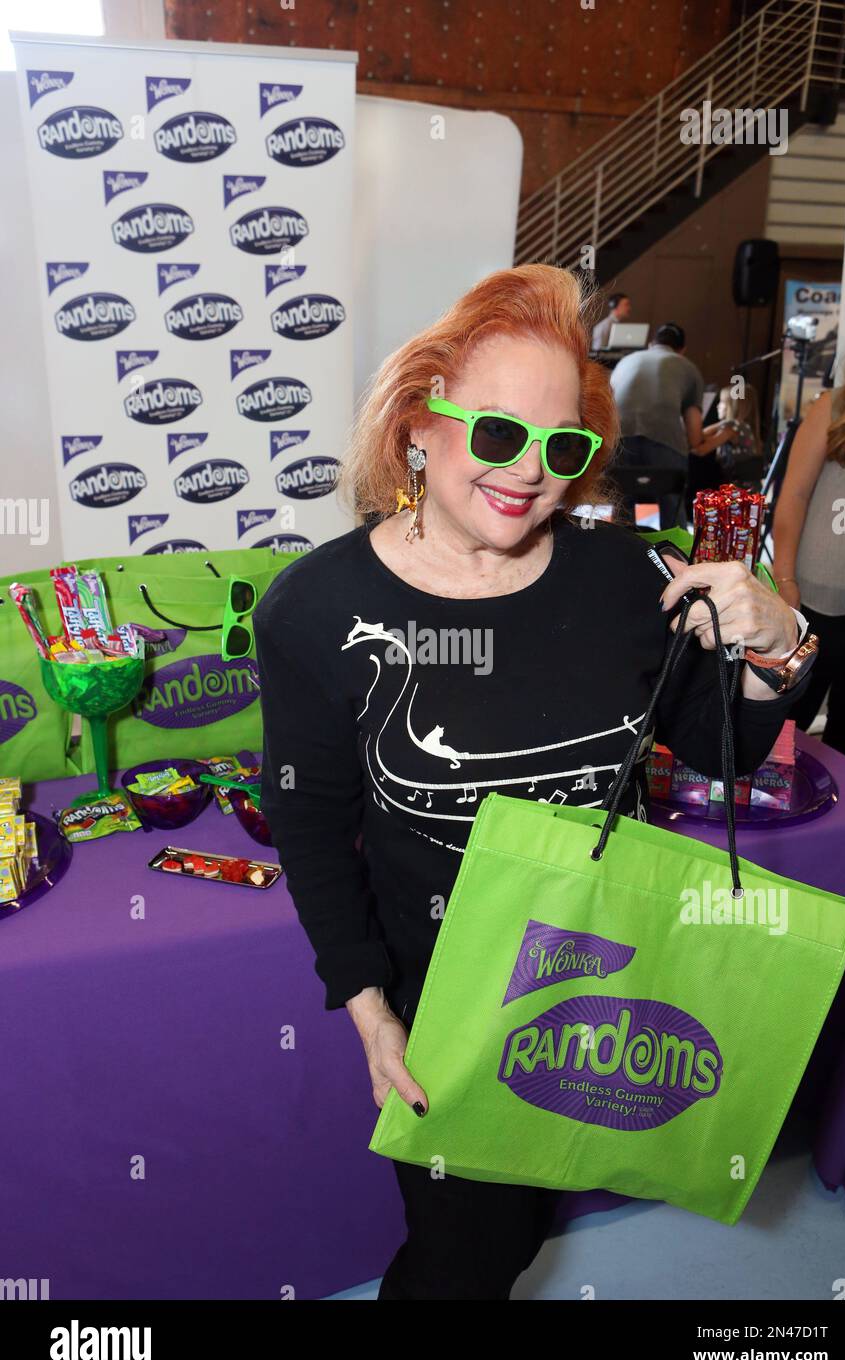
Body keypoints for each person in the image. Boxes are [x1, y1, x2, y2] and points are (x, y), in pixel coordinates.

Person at [254, 264, 811, 1301]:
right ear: (420, 427)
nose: (527, 472)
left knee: (514, 1236)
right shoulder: (313, 611)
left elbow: (711, 741)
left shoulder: (625, 579)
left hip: (604, 997)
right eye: (497, 433)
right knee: (463, 1257)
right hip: (449, 1014)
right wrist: (371, 1012)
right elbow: (312, 824)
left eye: (561, 446)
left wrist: (778, 646)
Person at [772, 299, 845, 760]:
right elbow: (792, 497)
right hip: (817, 596)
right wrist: (785, 578)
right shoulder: (832, 408)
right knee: (786, 728)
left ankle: (837, 828)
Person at [609, 322, 710, 528]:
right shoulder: (688, 367)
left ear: (650, 344)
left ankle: (623, 552)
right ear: (682, 350)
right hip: (665, 445)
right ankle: (675, 553)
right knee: (672, 506)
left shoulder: (625, 361)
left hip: (617, 442)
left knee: (622, 505)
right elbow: (694, 436)